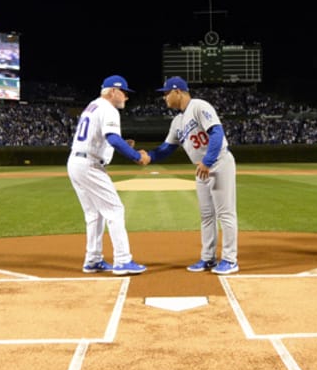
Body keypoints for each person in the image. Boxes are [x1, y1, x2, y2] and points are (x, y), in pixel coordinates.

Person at [146, 76, 239, 274]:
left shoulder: (199, 105)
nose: (164, 98)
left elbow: (217, 133)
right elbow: (166, 148)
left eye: (165, 93)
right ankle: (208, 258)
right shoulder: (178, 121)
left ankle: (230, 259)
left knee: (225, 213)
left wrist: (207, 161)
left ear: (177, 91)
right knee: (206, 215)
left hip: (219, 162)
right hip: (202, 168)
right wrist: (147, 156)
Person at [68, 75, 149, 275]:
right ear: (113, 91)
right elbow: (112, 137)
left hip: (76, 162)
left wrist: (120, 146)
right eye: (124, 92)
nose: (126, 97)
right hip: (90, 165)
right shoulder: (108, 108)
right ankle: (122, 260)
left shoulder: (93, 106)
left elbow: (100, 138)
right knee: (115, 210)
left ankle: (93, 259)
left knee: (94, 214)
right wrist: (135, 156)